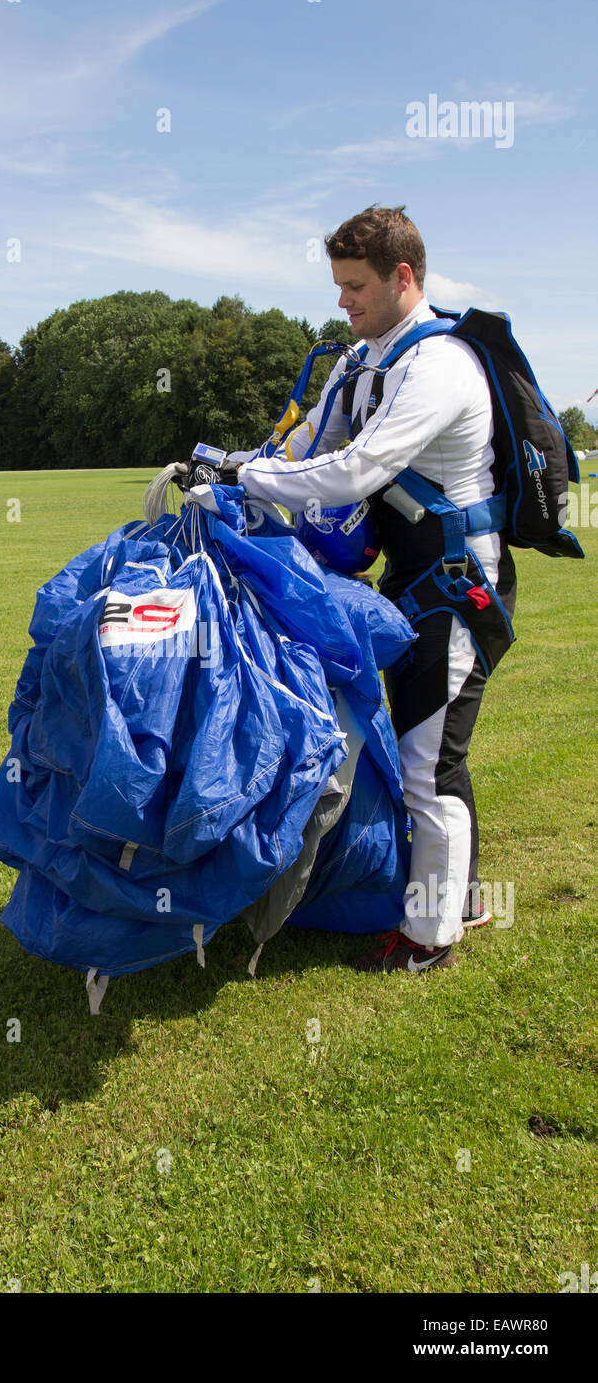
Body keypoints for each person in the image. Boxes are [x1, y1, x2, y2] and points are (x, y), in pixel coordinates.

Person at [234, 205, 516, 973]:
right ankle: (460, 900)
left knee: (430, 763)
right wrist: (230, 463)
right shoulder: (357, 363)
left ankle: (431, 939)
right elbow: (302, 448)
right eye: (337, 286)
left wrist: (249, 474)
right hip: (413, 583)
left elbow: (355, 471)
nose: (342, 302)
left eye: (355, 286)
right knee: (428, 748)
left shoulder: (440, 365)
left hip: (462, 590)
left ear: (403, 277)